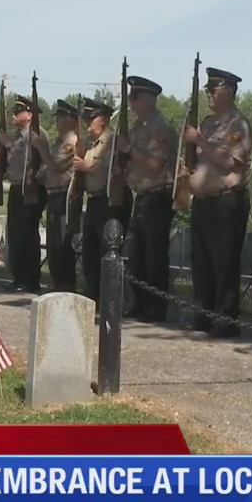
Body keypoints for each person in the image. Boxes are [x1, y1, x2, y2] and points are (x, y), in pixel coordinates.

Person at [185, 67, 252, 338]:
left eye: (214, 89)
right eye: (207, 89)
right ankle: (203, 314)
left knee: (224, 262)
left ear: (230, 92)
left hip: (227, 202)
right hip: (203, 201)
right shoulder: (208, 123)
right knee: (200, 262)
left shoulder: (238, 125)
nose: (209, 94)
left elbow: (229, 162)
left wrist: (200, 140)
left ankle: (225, 318)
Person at [121, 75, 178, 322]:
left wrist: (129, 151)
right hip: (142, 196)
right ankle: (140, 303)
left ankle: (156, 307)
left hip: (157, 196)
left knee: (154, 257)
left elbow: (155, 164)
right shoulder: (137, 127)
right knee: (136, 255)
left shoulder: (159, 128)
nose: (130, 103)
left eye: (134, 97)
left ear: (148, 99)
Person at [73, 97, 131, 304]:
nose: (88, 123)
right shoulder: (91, 144)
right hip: (94, 200)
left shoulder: (112, 142)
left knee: (107, 250)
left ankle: (110, 298)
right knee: (89, 251)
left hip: (110, 200)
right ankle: (94, 294)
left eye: (92, 118)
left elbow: (113, 172)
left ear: (104, 120)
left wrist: (86, 166)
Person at [0, 95, 46, 294]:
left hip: (30, 188)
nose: (13, 115)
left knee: (27, 234)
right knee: (16, 234)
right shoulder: (20, 136)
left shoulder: (36, 134)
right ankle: (19, 277)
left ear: (29, 114)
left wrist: (7, 144)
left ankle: (30, 279)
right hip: (17, 187)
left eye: (18, 111)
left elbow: (25, 159)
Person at [38, 99, 80, 292]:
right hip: (53, 194)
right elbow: (47, 169)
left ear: (72, 120)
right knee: (53, 242)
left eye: (62, 117)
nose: (57, 121)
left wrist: (42, 149)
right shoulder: (59, 141)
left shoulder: (72, 142)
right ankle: (57, 281)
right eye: (57, 117)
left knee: (63, 242)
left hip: (65, 194)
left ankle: (65, 283)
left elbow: (56, 166)